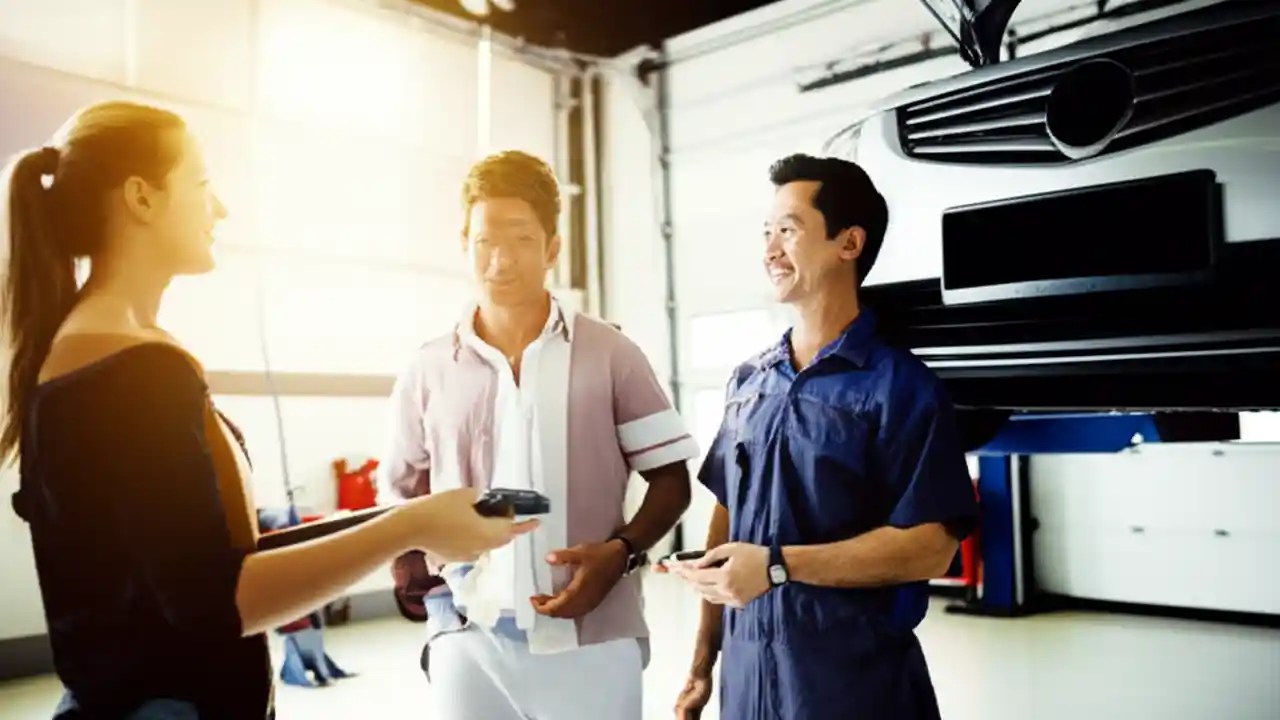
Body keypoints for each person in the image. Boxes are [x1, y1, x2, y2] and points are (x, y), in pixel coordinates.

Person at [2, 101, 537, 720]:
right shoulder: (130, 368)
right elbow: (217, 601)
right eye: (202, 184)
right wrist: (410, 528)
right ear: (142, 198)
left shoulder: (106, 351)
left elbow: (217, 556)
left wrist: (415, 515)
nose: (220, 209)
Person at [380, 150, 699, 720]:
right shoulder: (427, 368)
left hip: (595, 638)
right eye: (484, 241)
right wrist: (432, 598)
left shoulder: (611, 353)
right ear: (464, 243)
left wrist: (621, 554)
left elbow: (672, 482)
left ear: (553, 248)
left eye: (522, 239)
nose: (500, 260)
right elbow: (400, 499)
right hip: (467, 636)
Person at [661, 154, 980, 720]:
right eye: (766, 233)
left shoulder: (900, 388)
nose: (770, 250)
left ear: (848, 244)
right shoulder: (748, 382)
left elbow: (932, 546)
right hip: (749, 681)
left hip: (852, 687)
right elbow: (728, 514)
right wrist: (701, 662)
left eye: (788, 230)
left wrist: (778, 565)